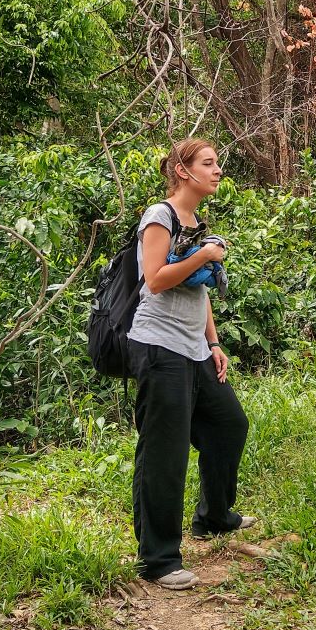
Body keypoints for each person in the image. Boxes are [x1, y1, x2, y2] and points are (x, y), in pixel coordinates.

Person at [127, 138, 254, 590]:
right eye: (209, 163)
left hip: (195, 349)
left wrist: (214, 343)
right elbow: (156, 280)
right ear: (183, 171)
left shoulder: (196, 220)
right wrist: (203, 255)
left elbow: (198, 295)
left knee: (228, 425)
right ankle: (158, 559)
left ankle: (214, 517)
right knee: (166, 452)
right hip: (159, 348)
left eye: (217, 163)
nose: (217, 170)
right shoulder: (159, 217)